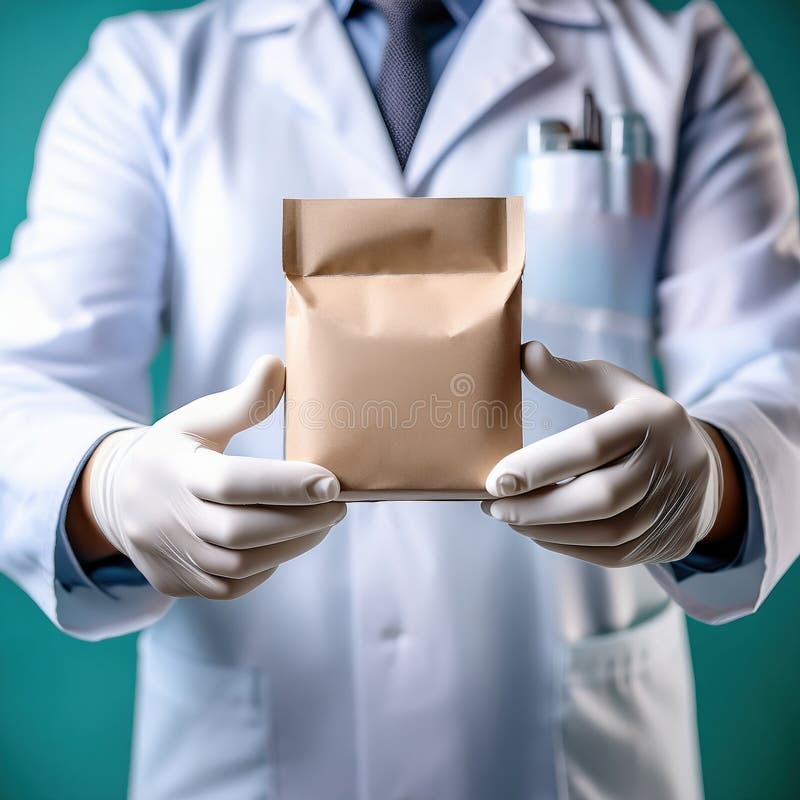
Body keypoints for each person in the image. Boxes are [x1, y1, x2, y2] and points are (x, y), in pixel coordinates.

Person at [1, 0, 798, 797]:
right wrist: (110, 488)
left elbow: (778, 364)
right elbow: (25, 380)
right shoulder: (150, 73)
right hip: (250, 749)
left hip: (571, 750)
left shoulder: (677, 58)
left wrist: (716, 480)